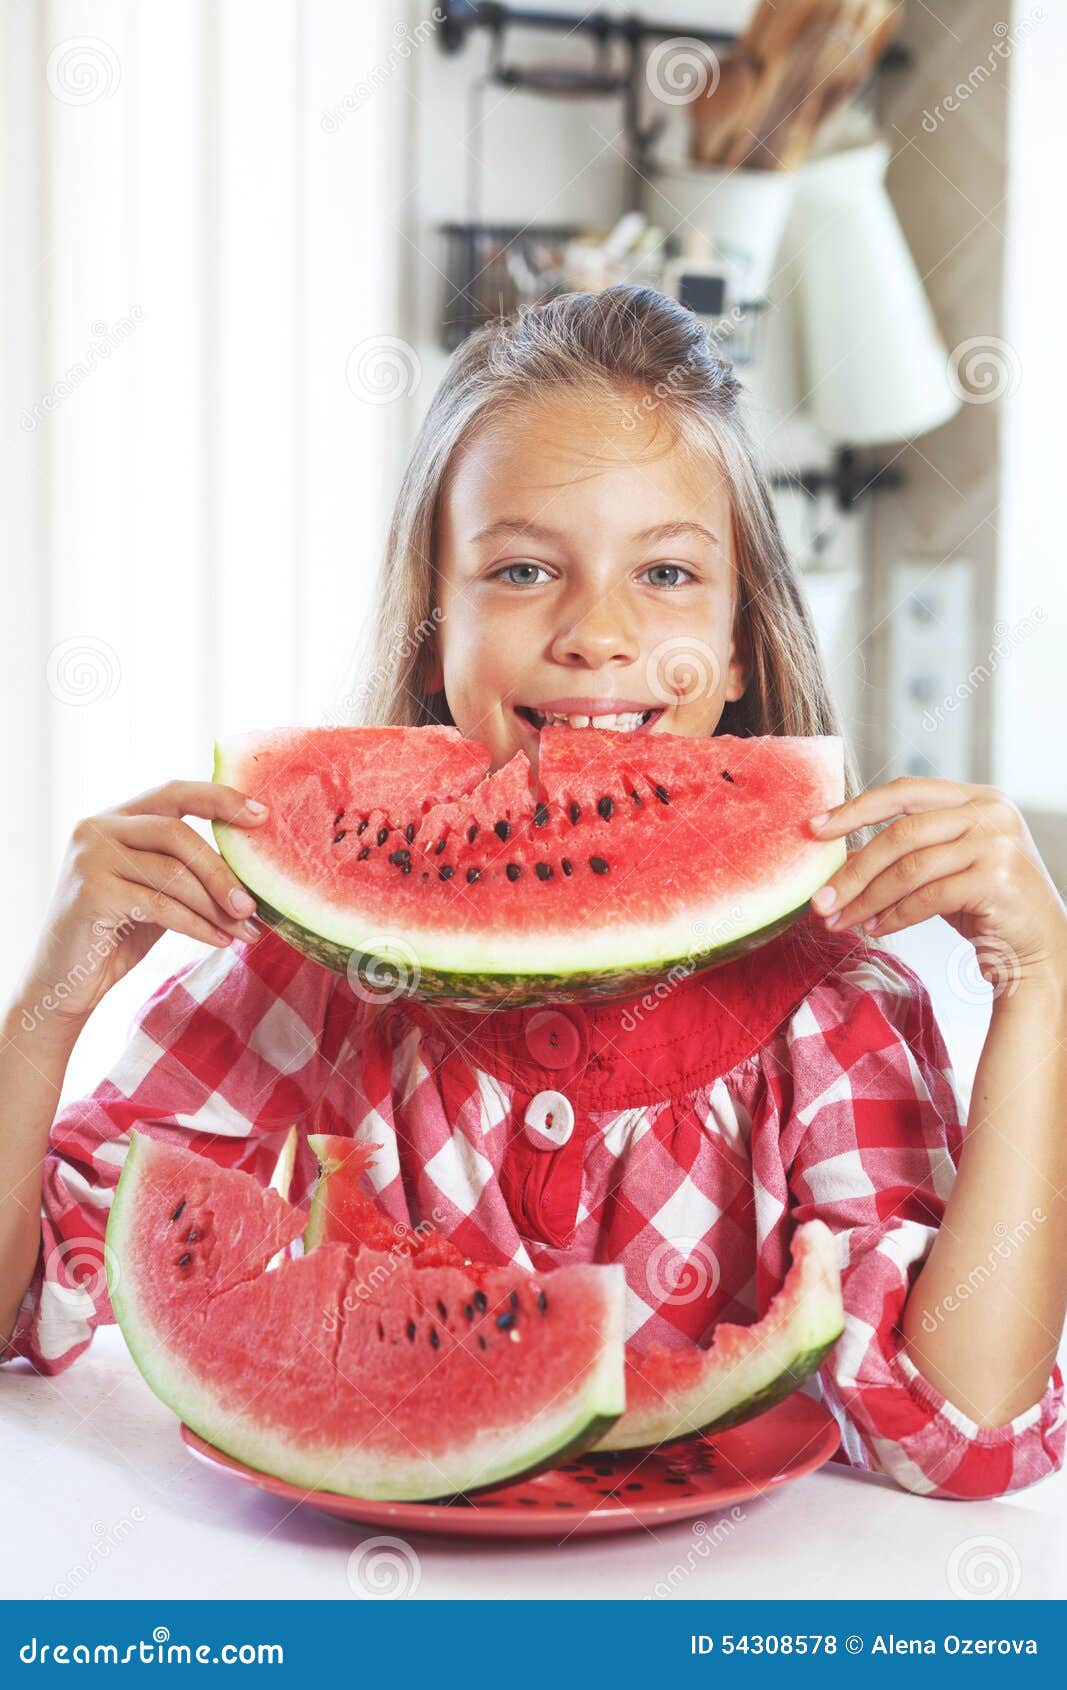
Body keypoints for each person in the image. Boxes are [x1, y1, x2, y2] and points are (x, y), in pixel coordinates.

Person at [3, 286, 1065, 1501]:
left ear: (734, 649)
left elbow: (963, 1427)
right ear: (431, 634)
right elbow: (31, 1295)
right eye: (519, 569)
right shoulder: (307, 978)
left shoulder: (829, 1019)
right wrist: (51, 999)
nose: (596, 634)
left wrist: (1043, 990)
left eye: (665, 572)